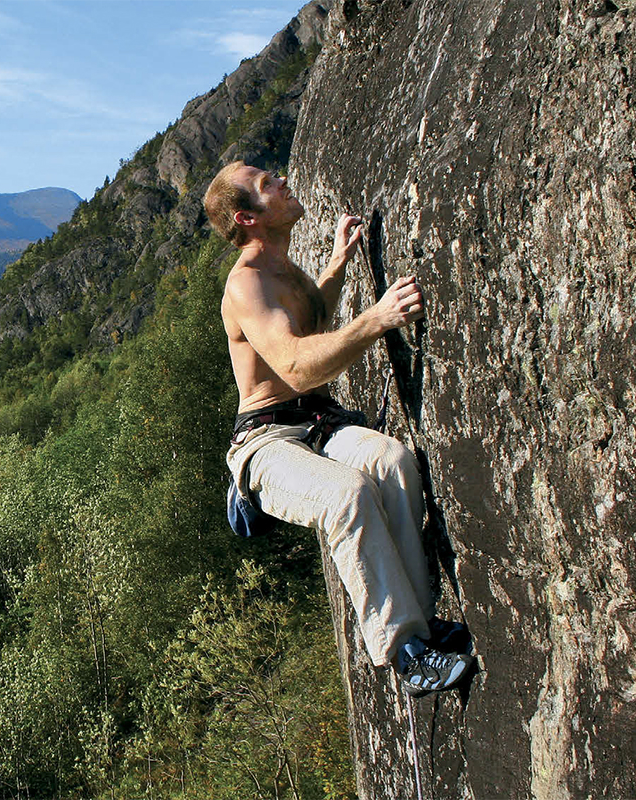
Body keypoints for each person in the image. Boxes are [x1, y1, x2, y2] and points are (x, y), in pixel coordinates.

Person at [204, 160, 473, 696]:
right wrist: (378, 318)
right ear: (248, 217)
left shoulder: (284, 268)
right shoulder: (246, 285)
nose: (281, 181)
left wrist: (338, 263)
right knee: (346, 496)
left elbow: (311, 314)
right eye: (266, 184)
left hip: (317, 423)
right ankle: (406, 652)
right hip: (265, 441)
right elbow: (298, 365)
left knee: (393, 463)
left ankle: (421, 618)